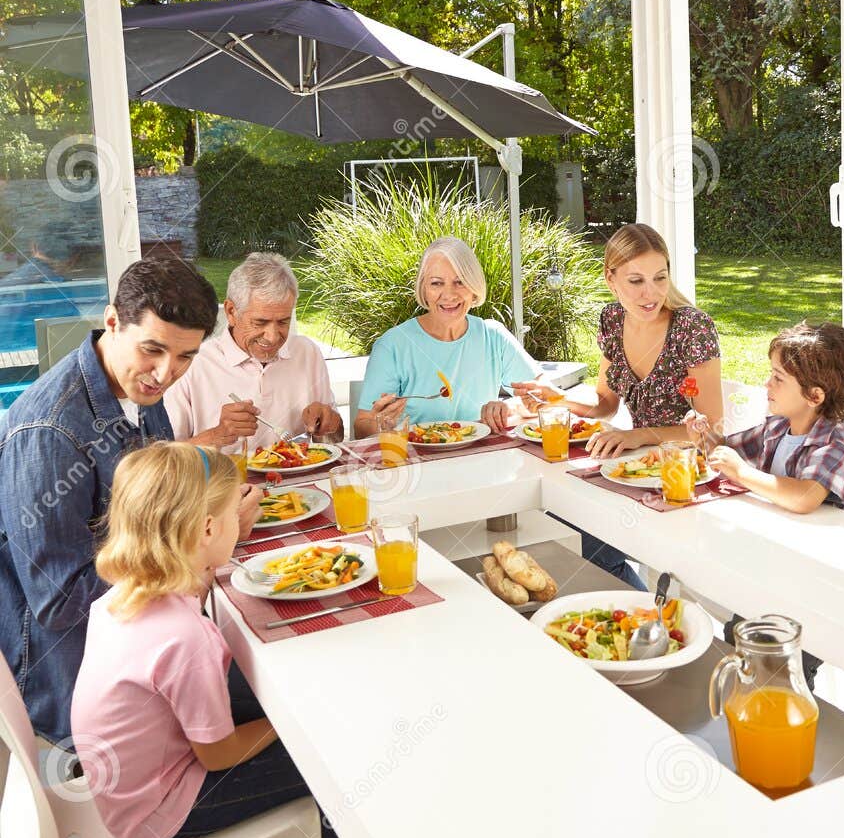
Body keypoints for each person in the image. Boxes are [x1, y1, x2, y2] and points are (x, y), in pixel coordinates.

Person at [71, 443, 393, 838]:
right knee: (333, 753)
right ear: (205, 529)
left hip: (126, 788)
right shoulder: (184, 637)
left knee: (293, 713)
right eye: (230, 515)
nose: (241, 521)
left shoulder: (123, 597)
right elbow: (217, 754)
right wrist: (289, 720)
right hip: (161, 809)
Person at [0, 255, 262, 748]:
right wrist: (195, 552)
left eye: (185, 357)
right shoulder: (50, 431)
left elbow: (154, 513)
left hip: (151, 646)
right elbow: (61, 604)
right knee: (293, 713)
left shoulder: (136, 385)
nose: (166, 374)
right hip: (82, 685)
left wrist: (215, 516)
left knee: (283, 677)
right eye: (154, 350)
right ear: (112, 321)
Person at [528, 224, 723, 588]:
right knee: (575, 526)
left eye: (660, 278)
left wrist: (640, 435)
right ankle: (639, 613)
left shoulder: (692, 327)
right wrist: (554, 399)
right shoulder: (612, 320)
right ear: (611, 278)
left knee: (591, 539)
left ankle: (648, 619)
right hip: (633, 467)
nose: (651, 293)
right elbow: (605, 404)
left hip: (688, 472)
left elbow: (711, 429)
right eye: (636, 281)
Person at [353, 237, 540, 435]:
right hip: (418, 461)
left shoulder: (493, 336)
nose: (449, 295)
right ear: (423, 288)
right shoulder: (392, 345)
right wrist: (383, 424)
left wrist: (507, 407)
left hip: (482, 457)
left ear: (473, 286)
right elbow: (362, 427)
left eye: (459, 282)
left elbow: (542, 399)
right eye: (437, 283)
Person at [165, 252, 343, 452]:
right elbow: (166, 459)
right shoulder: (192, 362)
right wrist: (218, 434)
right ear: (231, 312)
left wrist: (330, 425)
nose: (273, 337)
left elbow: (334, 442)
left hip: (295, 482)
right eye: (260, 322)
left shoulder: (307, 352)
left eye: (283, 321)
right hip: (222, 482)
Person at [697, 321, 844, 514]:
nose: (767, 384)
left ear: (814, 396)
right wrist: (704, 438)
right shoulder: (778, 428)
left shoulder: (835, 445)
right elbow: (727, 454)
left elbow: (803, 499)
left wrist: (741, 472)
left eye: (778, 378)